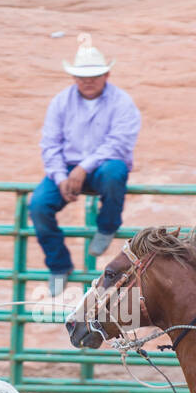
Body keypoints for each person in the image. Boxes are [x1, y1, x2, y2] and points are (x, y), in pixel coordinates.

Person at [31, 44, 142, 296]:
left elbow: (119, 143)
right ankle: (58, 264)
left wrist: (83, 167)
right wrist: (60, 177)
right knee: (38, 205)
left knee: (115, 173)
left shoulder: (122, 102)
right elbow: (50, 144)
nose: (88, 81)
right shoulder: (60, 102)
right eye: (83, 76)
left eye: (94, 76)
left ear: (106, 76)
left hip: (103, 166)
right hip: (67, 170)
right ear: (74, 77)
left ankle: (107, 226)